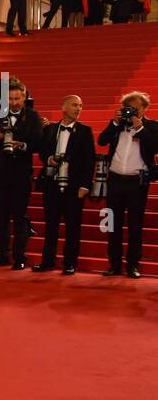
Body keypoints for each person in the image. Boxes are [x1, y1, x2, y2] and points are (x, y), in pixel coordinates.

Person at [0, 79, 42, 270]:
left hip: (21, 173)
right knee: (2, 216)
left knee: (19, 216)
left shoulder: (33, 117)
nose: (14, 102)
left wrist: (22, 145)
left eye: (17, 98)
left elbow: (38, 142)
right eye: (10, 99)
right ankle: (2, 255)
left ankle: (20, 257)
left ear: (24, 97)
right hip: (1, 172)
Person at [97, 91, 157, 278]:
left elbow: (155, 147)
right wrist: (115, 122)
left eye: (135, 109)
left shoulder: (153, 127)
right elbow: (101, 141)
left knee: (135, 225)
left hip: (137, 182)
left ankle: (133, 265)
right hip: (114, 180)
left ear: (145, 109)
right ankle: (114, 264)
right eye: (127, 108)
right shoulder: (117, 125)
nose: (130, 112)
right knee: (112, 223)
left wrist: (140, 129)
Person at [33, 96, 94, 276]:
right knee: (51, 225)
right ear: (64, 107)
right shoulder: (50, 129)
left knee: (73, 226)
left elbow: (89, 160)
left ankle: (70, 263)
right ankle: (47, 261)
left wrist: (85, 185)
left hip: (74, 187)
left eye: (81, 106)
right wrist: (48, 159)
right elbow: (43, 152)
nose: (78, 108)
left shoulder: (84, 131)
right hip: (52, 184)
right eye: (75, 105)